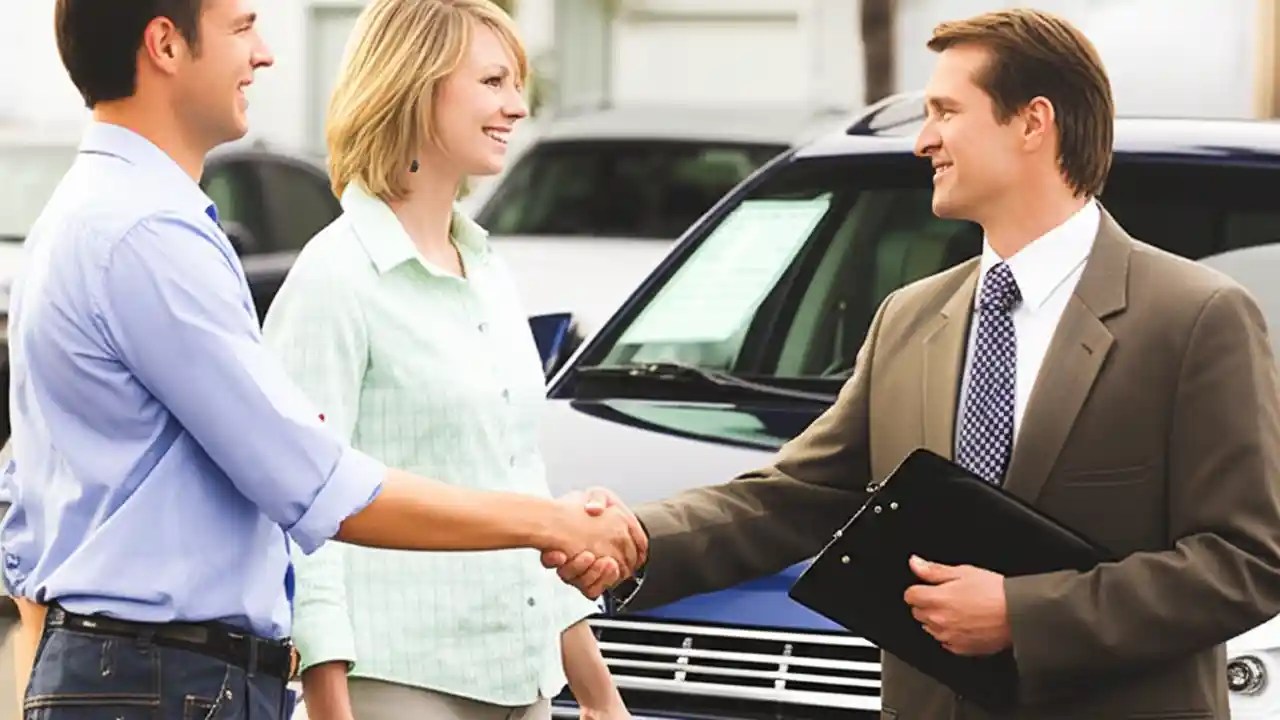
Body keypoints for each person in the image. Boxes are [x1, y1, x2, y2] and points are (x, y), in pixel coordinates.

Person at [550, 8, 1280, 719]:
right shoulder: (908, 317)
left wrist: (1023, 615)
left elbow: (1246, 559)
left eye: (946, 111)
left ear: (1033, 122)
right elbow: (803, 494)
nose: (923, 141)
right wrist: (640, 537)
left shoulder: (1197, 318)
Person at [2, 1, 642, 718]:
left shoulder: (86, 218)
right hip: (168, 677)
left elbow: (21, 501)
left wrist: (61, 663)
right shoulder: (147, 235)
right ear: (165, 45)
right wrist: (549, 524)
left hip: (139, 672)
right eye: (243, 28)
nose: (266, 54)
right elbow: (309, 479)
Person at [260, 1, 630, 719]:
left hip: (523, 680)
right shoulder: (334, 278)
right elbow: (301, 514)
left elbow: (523, 488)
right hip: (397, 683)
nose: (517, 107)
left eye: (516, 84)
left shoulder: (487, 269)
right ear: (416, 85)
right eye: (493, 82)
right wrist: (331, 706)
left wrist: (598, 693)